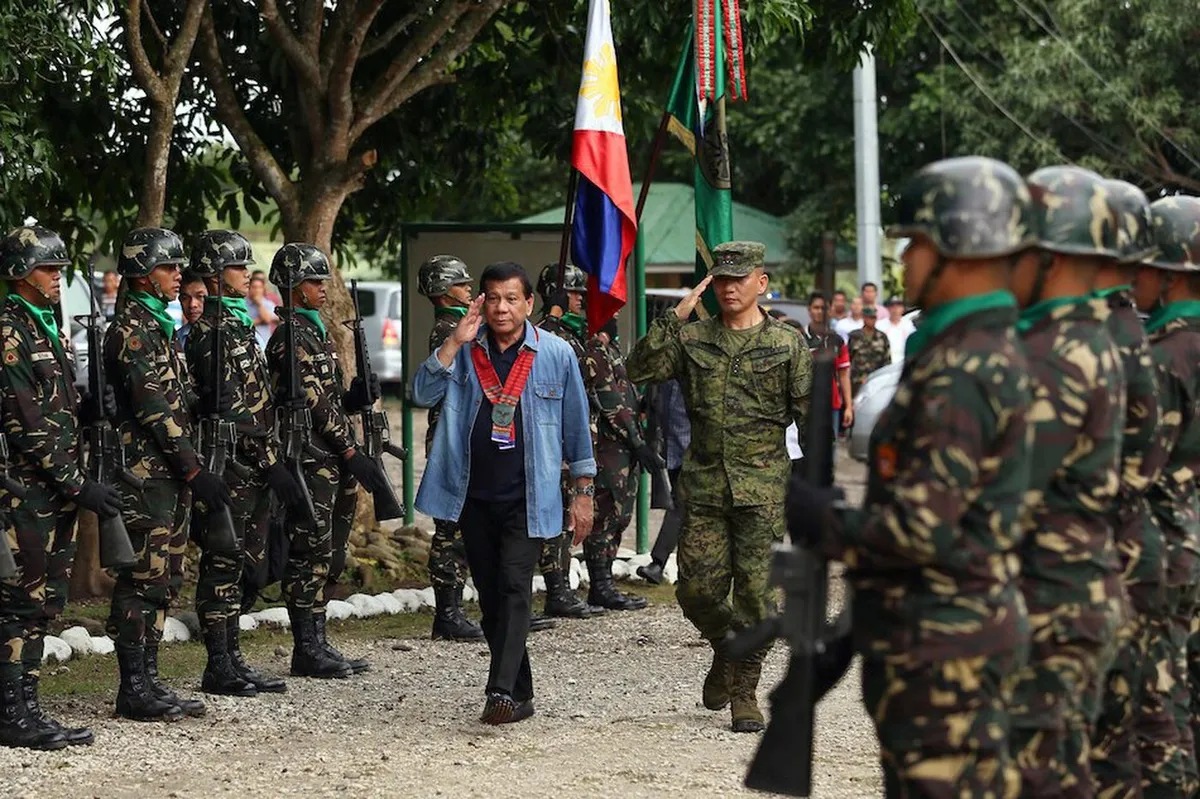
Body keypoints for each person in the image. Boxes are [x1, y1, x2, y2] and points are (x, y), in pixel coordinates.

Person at [791, 156, 1036, 796]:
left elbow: (922, 527)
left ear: (959, 248)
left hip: (948, 641)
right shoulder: (973, 352)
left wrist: (829, 522)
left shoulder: (961, 370)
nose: (905, 259)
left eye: (917, 242)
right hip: (942, 631)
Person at [626, 241, 812, 733]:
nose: (729, 287)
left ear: (760, 282)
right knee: (697, 591)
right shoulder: (693, 340)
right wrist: (674, 317)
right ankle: (727, 650)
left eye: (739, 278)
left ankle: (744, 691)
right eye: (721, 279)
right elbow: (637, 370)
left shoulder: (787, 344)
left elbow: (810, 420)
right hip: (705, 487)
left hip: (764, 493)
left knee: (757, 598)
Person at [412, 261, 595, 725]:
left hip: (529, 496)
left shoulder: (555, 353)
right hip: (472, 495)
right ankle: (521, 692)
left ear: (529, 303)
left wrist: (583, 491)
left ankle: (498, 689)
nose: (501, 308)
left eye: (512, 298)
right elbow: (420, 392)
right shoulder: (466, 352)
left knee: (515, 587)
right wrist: (454, 341)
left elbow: (576, 425)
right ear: (480, 302)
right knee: (492, 598)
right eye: (492, 298)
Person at [1005, 165, 1126, 796]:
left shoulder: (1054, 354)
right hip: (1069, 588)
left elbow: (1000, 499)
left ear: (1047, 256)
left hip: (1050, 598)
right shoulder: (1084, 337)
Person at [0, 226, 121, 749]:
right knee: (19, 603)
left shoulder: (41, 325)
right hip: (27, 494)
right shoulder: (9, 331)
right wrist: (79, 485)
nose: (56, 278)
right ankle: (10, 711)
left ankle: (27, 704)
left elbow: (55, 407)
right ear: (20, 274)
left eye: (56, 269)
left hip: (56, 492)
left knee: (45, 601)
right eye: (48, 269)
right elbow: (25, 424)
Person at [186, 230, 307, 697]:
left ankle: (233, 656)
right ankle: (218, 663)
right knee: (223, 561)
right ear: (217, 276)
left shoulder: (235, 327)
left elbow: (256, 404)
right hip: (231, 466)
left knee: (242, 566)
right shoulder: (211, 334)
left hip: (254, 466)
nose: (245, 274)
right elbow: (233, 412)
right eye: (237, 267)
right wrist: (268, 459)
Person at [1090, 180, 1181, 797]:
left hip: (1147, 547)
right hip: (1169, 541)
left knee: (1140, 719)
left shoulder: (1144, 351)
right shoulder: (1141, 342)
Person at [104, 227, 218, 721]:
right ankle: (133, 687)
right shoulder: (132, 333)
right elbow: (154, 411)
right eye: (169, 268)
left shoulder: (158, 328)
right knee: (142, 578)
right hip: (146, 477)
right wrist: (194, 469)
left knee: (166, 577)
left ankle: (150, 678)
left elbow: (178, 401)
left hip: (168, 477)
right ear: (143, 274)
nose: (178, 276)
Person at [266, 243, 391, 679]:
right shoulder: (290, 337)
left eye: (323, 280)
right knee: (310, 551)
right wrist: (351, 451)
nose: (323, 288)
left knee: (329, 550)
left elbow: (329, 397)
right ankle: (306, 648)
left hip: (331, 458)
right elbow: (314, 406)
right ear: (293, 287)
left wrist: (355, 398)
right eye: (314, 281)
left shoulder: (315, 331)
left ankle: (318, 640)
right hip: (312, 459)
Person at [1133, 196, 1200, 795]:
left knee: (1161, 713)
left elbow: (1135, 474)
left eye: (1144, 265)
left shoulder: (1163, 358)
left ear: (1173, 271)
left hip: (1170, 552)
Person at [415, 255, 484, 640]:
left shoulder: (460, 326)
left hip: (466, 438)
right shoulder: (448, 330)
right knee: (450, 528)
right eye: (461, 284)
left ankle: (456, 608)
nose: (469, 288)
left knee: (464, 524)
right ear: (443, 291)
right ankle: (447, 612)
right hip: (452, 440)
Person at [580, 316, 661, 611]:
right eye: (610, 313)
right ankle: (599, 585)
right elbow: (609, 401)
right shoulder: (594, 352)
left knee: (620, 517)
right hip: (607, 448)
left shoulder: (613, 350)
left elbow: (627, 397)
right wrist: (637, 442)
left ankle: (606, 584)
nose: (616, 318)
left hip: (626, 448)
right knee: (604, 516)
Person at [532, 263, 595, 620]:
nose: (578, 299)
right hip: (552, 442)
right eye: (572, 293)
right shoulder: (545, 333)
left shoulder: (575, 334)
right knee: (554, 517)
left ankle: (561, 589)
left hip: (577, 438)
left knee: (568, 518)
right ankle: (555, 588)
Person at [636, 378, 690, 585]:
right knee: (683, 507)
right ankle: (666, 567)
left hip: (693, 448)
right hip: (675, 446)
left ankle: (660, 564)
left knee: (684, 507)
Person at [800, 292, 853, 436]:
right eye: (816, 307)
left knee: (830, 448)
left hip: (832, 405)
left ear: (830, 311)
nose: (819, 311)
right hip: (804, 405)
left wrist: (848, 407)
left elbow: (843, 375)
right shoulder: (799, 338)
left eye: (823, 308)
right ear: (809, 310)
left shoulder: (837, 340)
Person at [846, 306, 890, 399]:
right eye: (869, 317)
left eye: (874, 317)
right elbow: (848, 360)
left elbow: (887, 362)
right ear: (864, 317)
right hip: (857, 382)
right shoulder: (854, 336)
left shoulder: (882, 337)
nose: (872, 320)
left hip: (876, 383)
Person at [877, 295, 915, 363]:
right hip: (885, 361)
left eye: (898, 306)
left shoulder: (908, 325)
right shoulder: (880, 325)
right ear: (888, 308)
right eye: (892, 307)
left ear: (903, 308)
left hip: (903, 361)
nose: (895, 309)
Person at [176, 271, 207, 352]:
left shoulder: (222, 335)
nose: (192, 304)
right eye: (185, 298)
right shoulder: (176, 338)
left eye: (200, 296)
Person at [245, 273, 277, 350]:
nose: (257, 290)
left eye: (259, 287)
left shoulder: (268, 304)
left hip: (265, 343)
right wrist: (258, 321)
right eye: (254, 287)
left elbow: (267, 319)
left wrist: (259, 304)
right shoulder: (244, 304)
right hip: (248, 344)